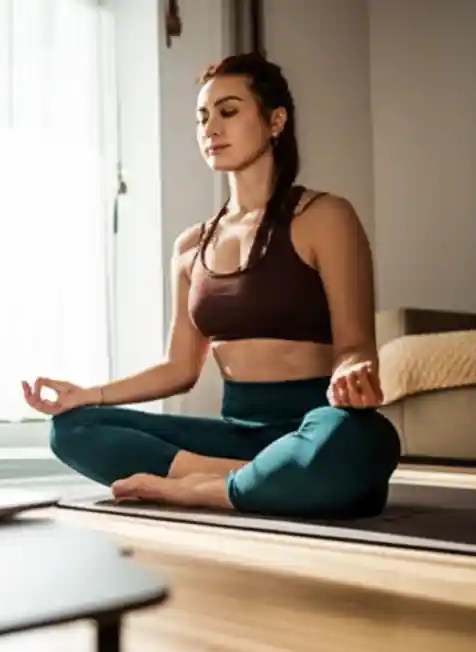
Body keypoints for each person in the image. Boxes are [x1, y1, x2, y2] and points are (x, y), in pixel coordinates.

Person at [23, 52, 400, 519]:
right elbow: (180, 367)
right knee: (72, 429)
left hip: (316, 421)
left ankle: (202, 489)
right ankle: (259, 478)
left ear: (275, 120)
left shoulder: (325, 217)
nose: (210, 128)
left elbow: (356, 345)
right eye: (202, 117)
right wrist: (89, 395)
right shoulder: (189, 246)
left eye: (228, 111)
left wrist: (354, 373)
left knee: (367, 438)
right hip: (235, 433)